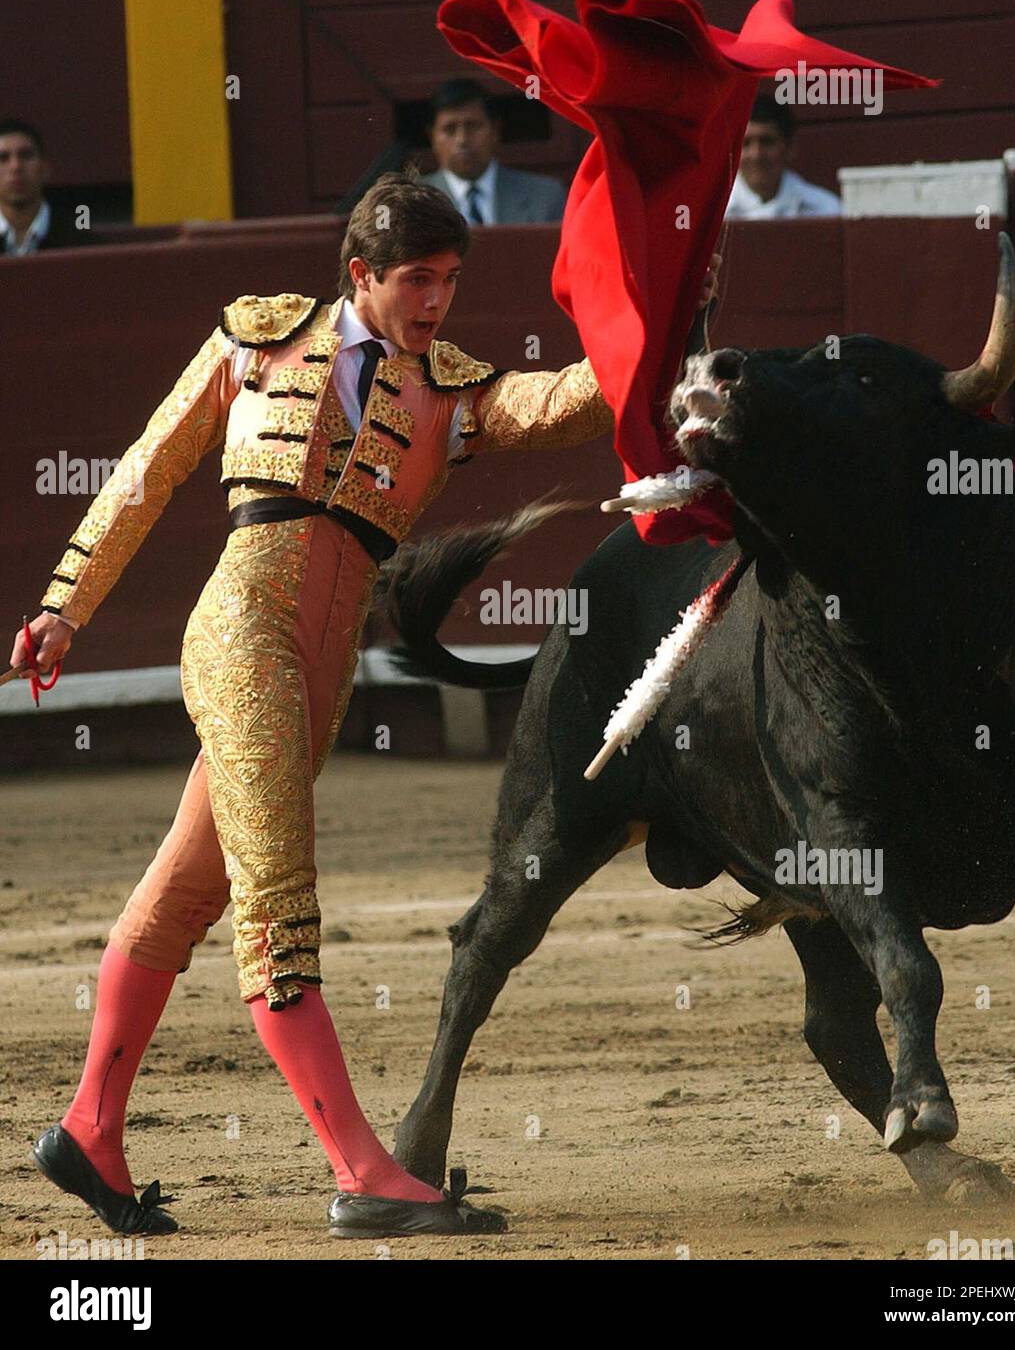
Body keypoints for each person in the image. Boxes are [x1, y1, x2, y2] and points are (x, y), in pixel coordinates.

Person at [15, 172, 618, 1241]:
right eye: (417, 281)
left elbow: (571, 400)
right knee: (278, 903)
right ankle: (362, 1170)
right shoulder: (257, 342)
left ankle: (90, 1129)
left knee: (182, 895)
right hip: (243, 633)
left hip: (320, 670)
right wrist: (66, 606)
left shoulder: (452, 391)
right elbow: (146, 472)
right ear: (362, 275)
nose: (436, 303)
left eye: (450, 281)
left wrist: (657, 325)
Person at [420, 79, 566, 225]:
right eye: (449, 129)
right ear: (432, 137)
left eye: (472, 126)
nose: (462, 139)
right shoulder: (416, 203)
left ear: (495, 130)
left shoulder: (545, 197)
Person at [725, 93, 842, 220]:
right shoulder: (715, 214)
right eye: (746, 143)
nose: (756, 155)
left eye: (767, 142)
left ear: (790, 147)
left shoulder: (827, 210)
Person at [0, 120, 93, 254]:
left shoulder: (82, 243)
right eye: (3, 158)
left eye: (26, 156)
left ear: (45, 168)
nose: (16, 167)